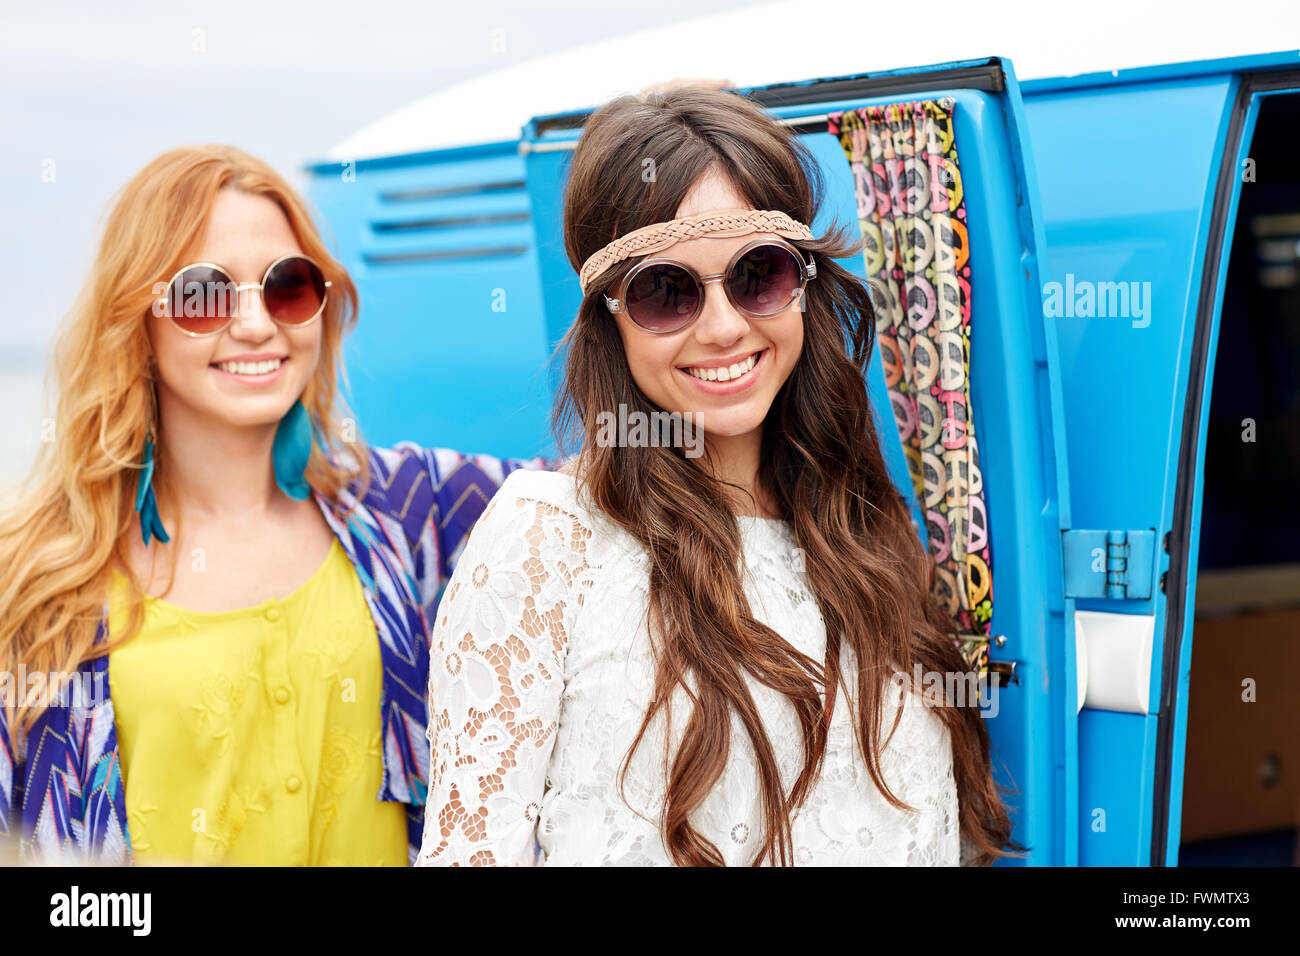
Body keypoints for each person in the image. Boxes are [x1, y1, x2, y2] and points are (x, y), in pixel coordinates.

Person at [416, 87, 1021, 867]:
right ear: (609, 318)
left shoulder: (870, 532)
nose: (725, 326)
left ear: (803, 286)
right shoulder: (548, 539)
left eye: (757, 275)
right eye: (666, 292)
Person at [0, 145, 555, 865]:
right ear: (138, 321)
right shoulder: (38, 581)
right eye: (206, 294)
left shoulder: (404, 509)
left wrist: (661, 148)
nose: (257, 324)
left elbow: (610, 492)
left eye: (287, 287)